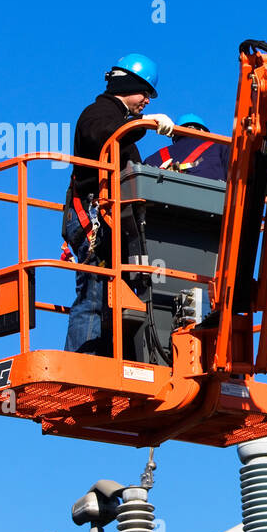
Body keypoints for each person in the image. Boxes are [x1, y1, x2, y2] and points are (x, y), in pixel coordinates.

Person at [63, 54, 175, 354]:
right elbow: (101, 135)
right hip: (93, 217)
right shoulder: (99, 113)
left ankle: (112, 356)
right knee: (95, 292)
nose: (148, 101)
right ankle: (84, 361)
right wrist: (143, 123)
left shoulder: (118, 123)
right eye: (146, 93)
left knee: (114, 292)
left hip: (109, 218)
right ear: (129, 86)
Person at [143, 112, 267, 219]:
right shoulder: (219, 146)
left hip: (155, 224)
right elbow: (253, 176)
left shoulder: (153, 158)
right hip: (208, 222)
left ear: (175, 135)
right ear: (204, 132)